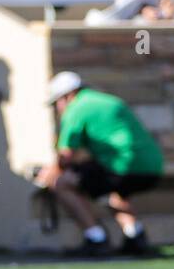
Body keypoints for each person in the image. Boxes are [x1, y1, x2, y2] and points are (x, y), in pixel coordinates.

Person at [34, 72, 162, 256]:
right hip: (152, 168)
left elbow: (65, 156)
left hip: (121, 167)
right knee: (110, 191)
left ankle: (96, 238)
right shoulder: (108, 100)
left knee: (62, 183)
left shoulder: (76, 108)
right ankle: (135, 236)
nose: (57, 109)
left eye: (56, 103)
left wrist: (47, 176)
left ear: (68, 95)